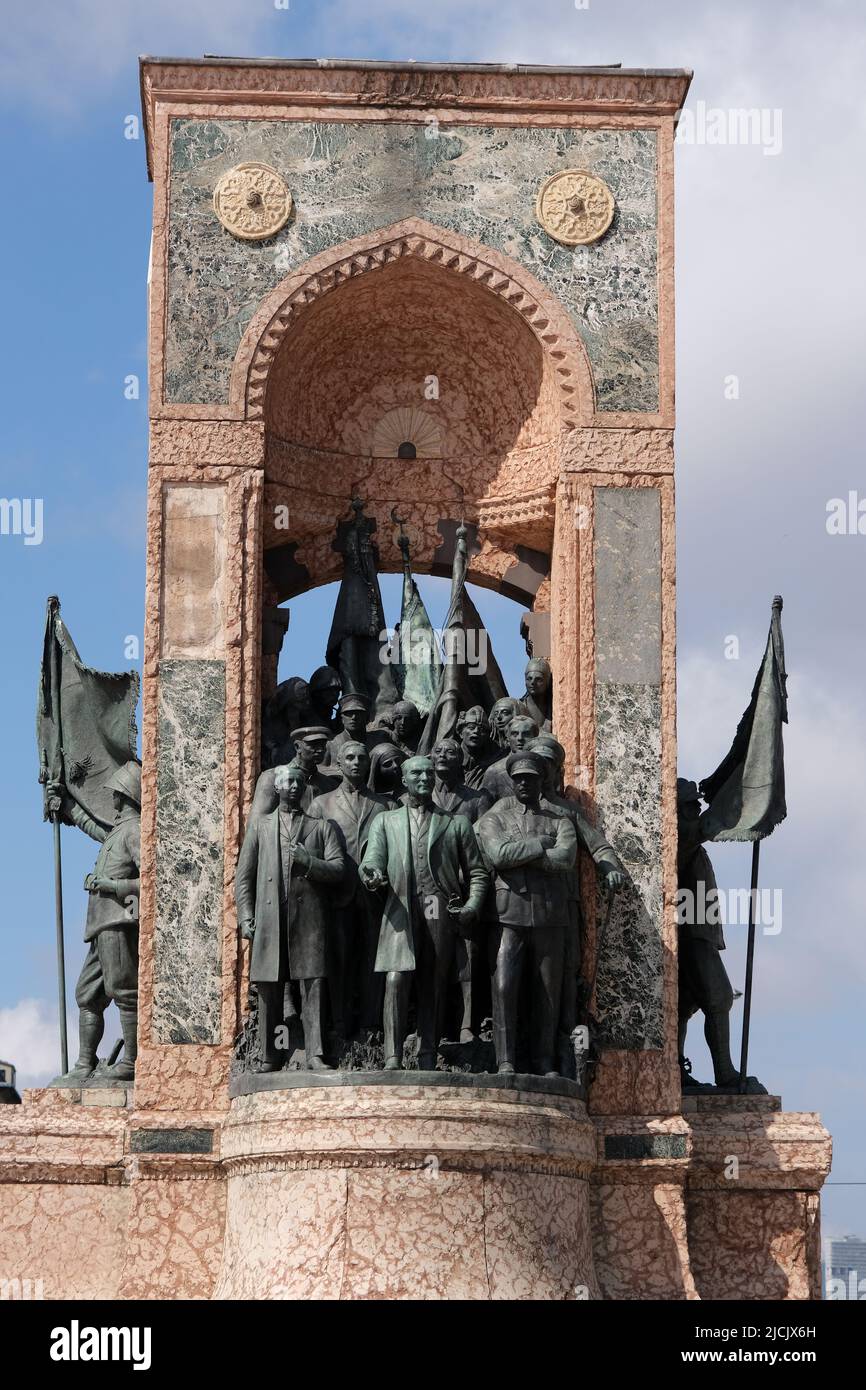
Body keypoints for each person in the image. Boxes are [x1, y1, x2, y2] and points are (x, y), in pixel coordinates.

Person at [359, 756, 489, 1070]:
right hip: (400, 910)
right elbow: (371, 860)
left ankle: (428, 1054)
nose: (425, 778)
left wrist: (472, 906)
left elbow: (477, 872)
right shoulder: (386, 821)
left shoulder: (455, 822)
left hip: (439, 912)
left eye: (429, 773)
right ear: (404, 779)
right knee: (395, 979)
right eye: (417, 772)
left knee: (433, 983)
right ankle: (393, 1056)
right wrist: (372, 874)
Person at [235, 763, 345, 1072]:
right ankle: (269, 1055)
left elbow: (339, 869)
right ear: (277, 788)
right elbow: (244, 877)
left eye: (299, 782)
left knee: (312, 986)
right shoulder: (261, 826)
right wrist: (245, 916)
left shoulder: (322, 827)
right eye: (288, 782)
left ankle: (315, 1053)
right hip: (269, 920)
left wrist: (310, 862)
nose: (294, 787)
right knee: (270, 989)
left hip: (308, 919)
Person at [476, 752, 577, 1076]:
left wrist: (522, 854)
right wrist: (539, 845)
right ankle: (505, 1061)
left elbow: (565, 859)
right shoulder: (496, 818)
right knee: (504, 988)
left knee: (548, 993)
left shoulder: (560, 821)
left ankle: (544, 1062)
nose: (523, 783)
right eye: (518, 778)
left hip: (550, 916)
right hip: (509, 916)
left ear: (541, 781)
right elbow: (498, 855)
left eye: (530, 778)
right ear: (511, 781)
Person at [49, 762, 142, 1085]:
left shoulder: (135, 831)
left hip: (119, 921)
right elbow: (91, 825)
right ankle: (84, 1063)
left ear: (124, 795)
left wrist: (112, 887)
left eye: (115, 794)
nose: (112, 800)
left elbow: (154, 880)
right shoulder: (119, 831)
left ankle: (131, 1060)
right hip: (101, 926)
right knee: (87, 995)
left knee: (124, 992)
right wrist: (64, 803)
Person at [527, 736, 626, 1039]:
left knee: (566, 973)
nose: (543, 771)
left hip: (563, 904)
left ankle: (564, 1040)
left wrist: (609, 867)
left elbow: (599, 847)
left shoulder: (568, 811)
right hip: (521, 903)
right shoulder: (510, 808)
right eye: (538, 764)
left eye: (549, 765)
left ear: (557, 771)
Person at [677, 778, 758, 1091]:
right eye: (690, 805)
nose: (696, 808)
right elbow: (710, 824)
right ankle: (725, 1073)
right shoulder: (682, 836)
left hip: (699, 932)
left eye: (696, 803)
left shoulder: (690, 841)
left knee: (683, 1006)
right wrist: (742, 784)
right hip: (692, 935)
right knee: (719, 996)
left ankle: (676, 1067)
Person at [309, 743, 391, 1039]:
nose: (356, 762)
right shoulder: (321, 804)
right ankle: (339, 1023)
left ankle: (371, 1024)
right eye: (350, 758)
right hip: (337, 894)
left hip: (374, 895)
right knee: (339, 961)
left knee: (373, 960)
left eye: (362, 758)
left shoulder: (384, 804)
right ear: (340, 764)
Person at [431, 737, 493, 1042]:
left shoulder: (476, 799)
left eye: (451, 752)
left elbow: (480, 844)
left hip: (464, 888)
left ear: (461, 760)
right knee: (433, 961)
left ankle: (468, 1024)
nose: (444, 756)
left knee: (468, 959)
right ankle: (434, 1026)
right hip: (429, 893)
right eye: (439, 751)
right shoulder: (418, 796)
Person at [251, 726, 339, 817]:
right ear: (297, 747)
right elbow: (257, 823)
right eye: (313, 745)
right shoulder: (272, 777)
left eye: (322, 745)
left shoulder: (330, 785)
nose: (320, 750)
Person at [481, 714, 540, 803]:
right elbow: (484, 809)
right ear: (507, 739)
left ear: (535, 738)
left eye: (526, 734)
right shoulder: (494, 771)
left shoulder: (543, 768)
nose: (520, 738)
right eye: (515, 734)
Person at [326, 693, 388, 766]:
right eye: (348, 714)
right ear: (342, 719)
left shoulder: (378, 741)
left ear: (367, 718)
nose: (354, 717)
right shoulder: (331, 745)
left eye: (359, 714)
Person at [456, 706, 498, 790]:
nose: (476, 731)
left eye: (482, 729)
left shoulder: (493, 762)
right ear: (460, 733)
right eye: (471, 727)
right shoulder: (451, 760)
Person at [308, 665, 343, 732]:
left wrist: (339, 720)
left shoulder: (329, 711)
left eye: (337, 690)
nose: (335, 694)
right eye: (330, 690)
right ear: (317, 692)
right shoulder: (306, 713)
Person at [522, 657, 553, 731]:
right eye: (529, 678)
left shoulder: (554, 708)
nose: (532, 682)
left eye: (538, 679)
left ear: (547, 682)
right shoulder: (518, 708)